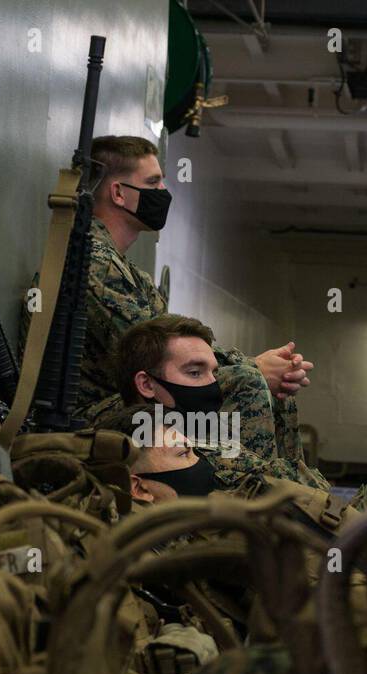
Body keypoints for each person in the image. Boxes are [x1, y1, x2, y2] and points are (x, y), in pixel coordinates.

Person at [31, 134, 315, 471]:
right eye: (152, 182)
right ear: (118, 192)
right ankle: (254, 500)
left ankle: (297, 494)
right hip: (88, 420)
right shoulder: (94, 262)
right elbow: (153, 350)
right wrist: (253, 367)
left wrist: (262, 368)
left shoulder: (123, 268)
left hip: (133, 404)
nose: (163, 192)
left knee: (274, 389)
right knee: (246, 381)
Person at [103, 313, 331, 491]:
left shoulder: (206, 439)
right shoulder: (175, 457)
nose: (213, 385)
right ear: (146, 384)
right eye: (194, 372)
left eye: (214, 372)